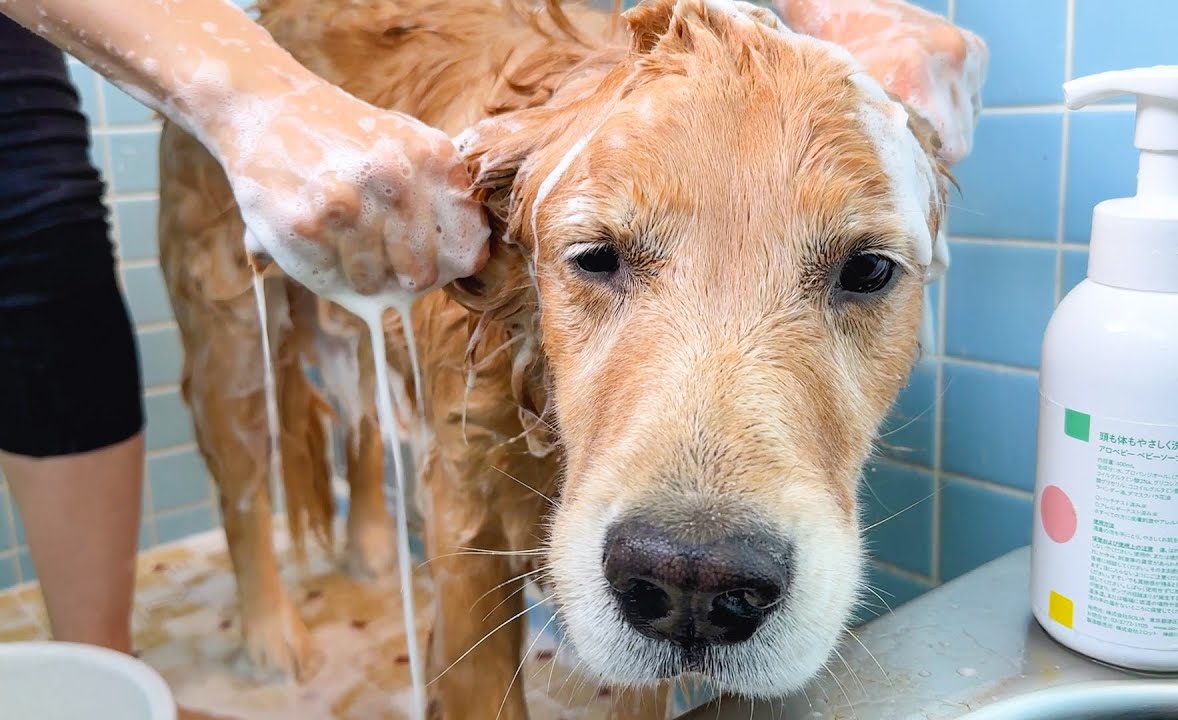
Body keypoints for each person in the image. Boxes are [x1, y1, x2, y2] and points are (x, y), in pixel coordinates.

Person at [0, 0, 983, 717]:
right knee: (246, 373)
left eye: (861, 272)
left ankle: (362, 522)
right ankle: (245, 575)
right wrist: (242, 94)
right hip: (250, 66)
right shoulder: (515, 238)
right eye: (598, 257)